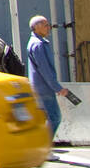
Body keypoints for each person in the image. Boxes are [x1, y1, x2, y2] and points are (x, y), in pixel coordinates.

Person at [27, 15, 69, 147]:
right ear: (36, 27)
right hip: (44, 88)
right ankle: (44, 148)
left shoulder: (36, 43)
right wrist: (57, 87)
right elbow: (45, 70)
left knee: (46, 119)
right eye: (45, 25)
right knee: (55, 117)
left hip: (40, 87)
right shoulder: (38, 45)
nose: (48, 27)